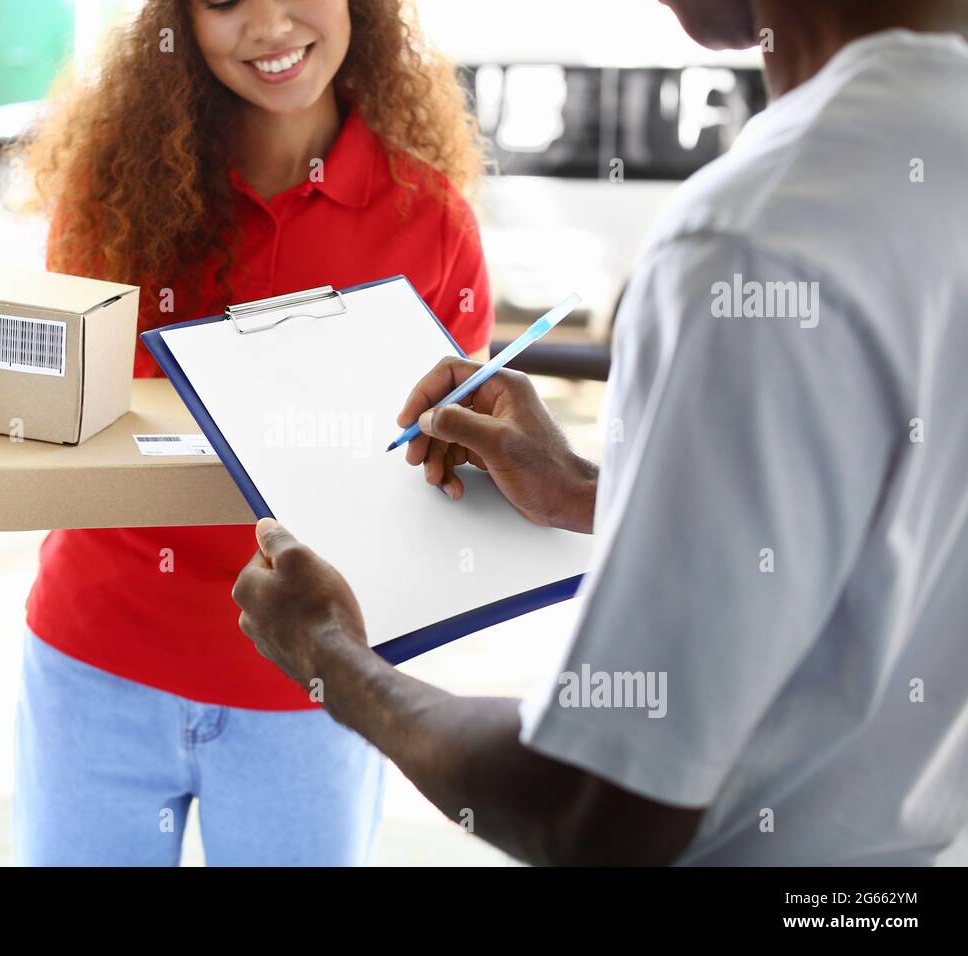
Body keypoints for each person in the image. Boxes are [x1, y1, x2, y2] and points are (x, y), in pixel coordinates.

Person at [232, 0, 968, 865]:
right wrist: (591, 489)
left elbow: (594, 811)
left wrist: (328, 654)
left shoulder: (752, 242)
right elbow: (894, 518)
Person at [14, 0, 493, 865]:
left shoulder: (431, 220)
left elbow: (447, 466)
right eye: (225, 1)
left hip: (314, 688)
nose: (270, 25)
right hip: (98, 663)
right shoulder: (110, 188)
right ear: (182, 23)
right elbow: (69, 413)